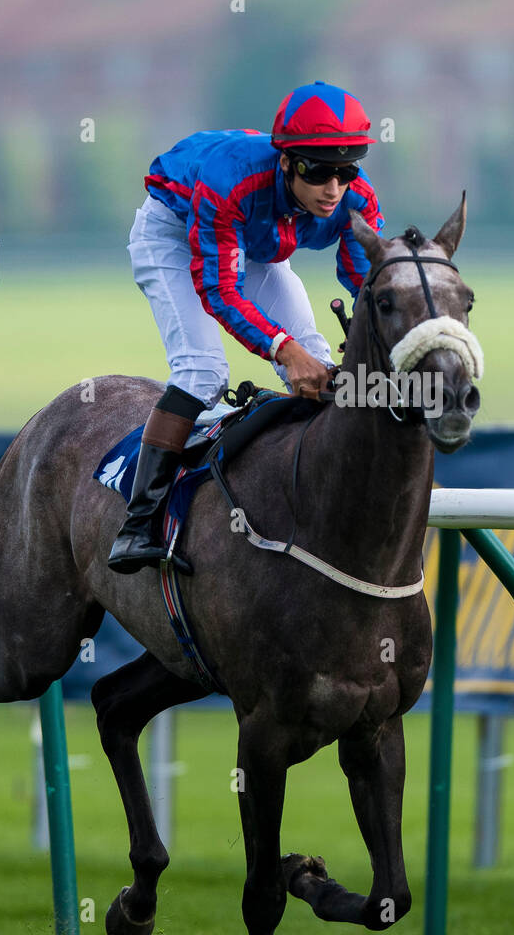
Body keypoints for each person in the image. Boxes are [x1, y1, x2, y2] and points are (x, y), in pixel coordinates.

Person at [109, 80, 383, 574]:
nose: (334, 189)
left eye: (346, 171)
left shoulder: (357, 199)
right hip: (174, 230)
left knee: (319, 366)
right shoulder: (229, 179)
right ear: (286, 162)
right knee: (203, 372)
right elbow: (220, 290)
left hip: (254, 240)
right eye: (319, 172)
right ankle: (138, 526)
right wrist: (283, 349)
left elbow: (365, 283)